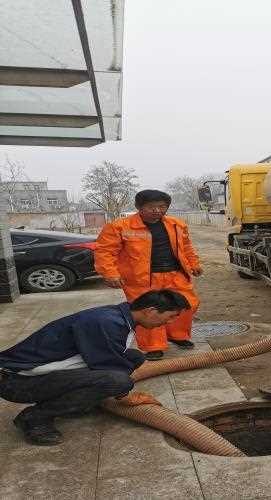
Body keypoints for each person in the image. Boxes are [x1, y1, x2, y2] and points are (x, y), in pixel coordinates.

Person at [0, 289, 190, 446]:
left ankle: (78, 401)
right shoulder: (106, 322)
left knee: (134, 357)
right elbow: (110, 369)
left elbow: (114, 360)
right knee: (118, 381)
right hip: (16, 382)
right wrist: (126, 397)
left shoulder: (118, 317)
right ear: (150, 311)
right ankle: (34, 418)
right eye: (170, 316)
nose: (169, 322)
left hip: (36, 375)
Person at [95, 189, 203, 361]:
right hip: (141, 279)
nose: (157, 210)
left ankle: (177, 334)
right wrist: (110, 273)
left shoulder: (177, 224)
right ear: (139, 207)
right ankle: (153, 346)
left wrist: (194, 264)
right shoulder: (119, 227)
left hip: (175, 274)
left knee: (187, 304)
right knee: (148, 311)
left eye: (162, 206)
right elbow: (105, 252)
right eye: (151, 207)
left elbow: (187, 247)